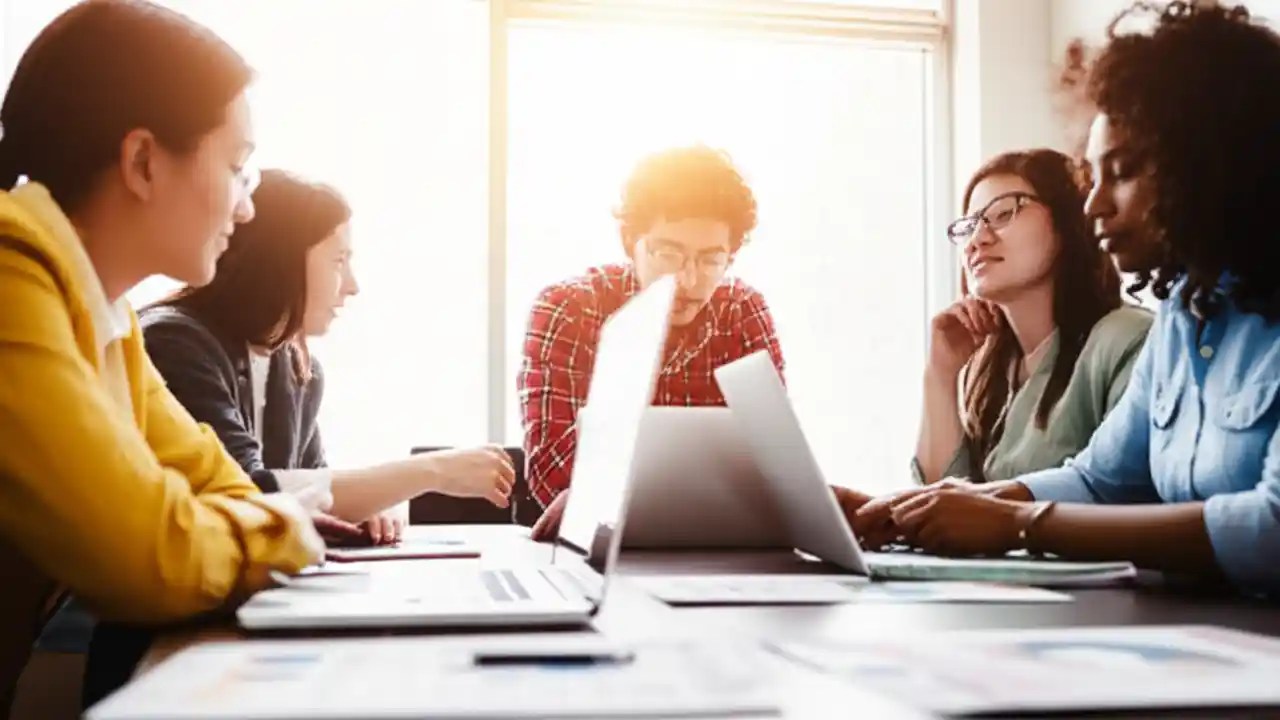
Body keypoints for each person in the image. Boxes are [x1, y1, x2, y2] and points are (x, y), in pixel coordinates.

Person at [846, 0, 1280, 598]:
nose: (1094, 205)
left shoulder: (1124, 336)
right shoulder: (1185, 315)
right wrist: (895, 510)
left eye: (1122, 171)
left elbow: (1271, 528)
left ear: (1211, 161)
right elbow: (1098, 479)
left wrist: (1020, 522)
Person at [0, 1, 321, 713]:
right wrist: (286, 529)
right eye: (238, 169)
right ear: (143, 161)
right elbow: (146, 555)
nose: (246, 210)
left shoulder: (107, 315)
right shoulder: (9, 274)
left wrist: (262, 525)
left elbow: (224, 486)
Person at [140, 169, 516, 544]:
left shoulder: (297, 369)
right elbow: (247, 493)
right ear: (280, 260)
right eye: (338, 261)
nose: (352, 286)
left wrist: (369, 504)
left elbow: (313, 493)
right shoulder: (175, 342)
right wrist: (434, 471)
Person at [521, 145, 785, 539]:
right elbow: (555, 478)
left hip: (716, 551)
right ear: (631, 243)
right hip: (598, 553)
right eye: (669, 254)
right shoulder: (571, 308)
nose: (690, 280)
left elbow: (776, 468)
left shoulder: (743, 311)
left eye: (712, 259)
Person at [913, 148, 1151, 488]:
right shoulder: (995, 371)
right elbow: (938, 508)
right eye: (969, 226)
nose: (977, 240)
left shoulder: (1126, 339)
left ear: (1068, 222)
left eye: (1003, 212)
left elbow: (1121, 494)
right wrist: (940, 375)